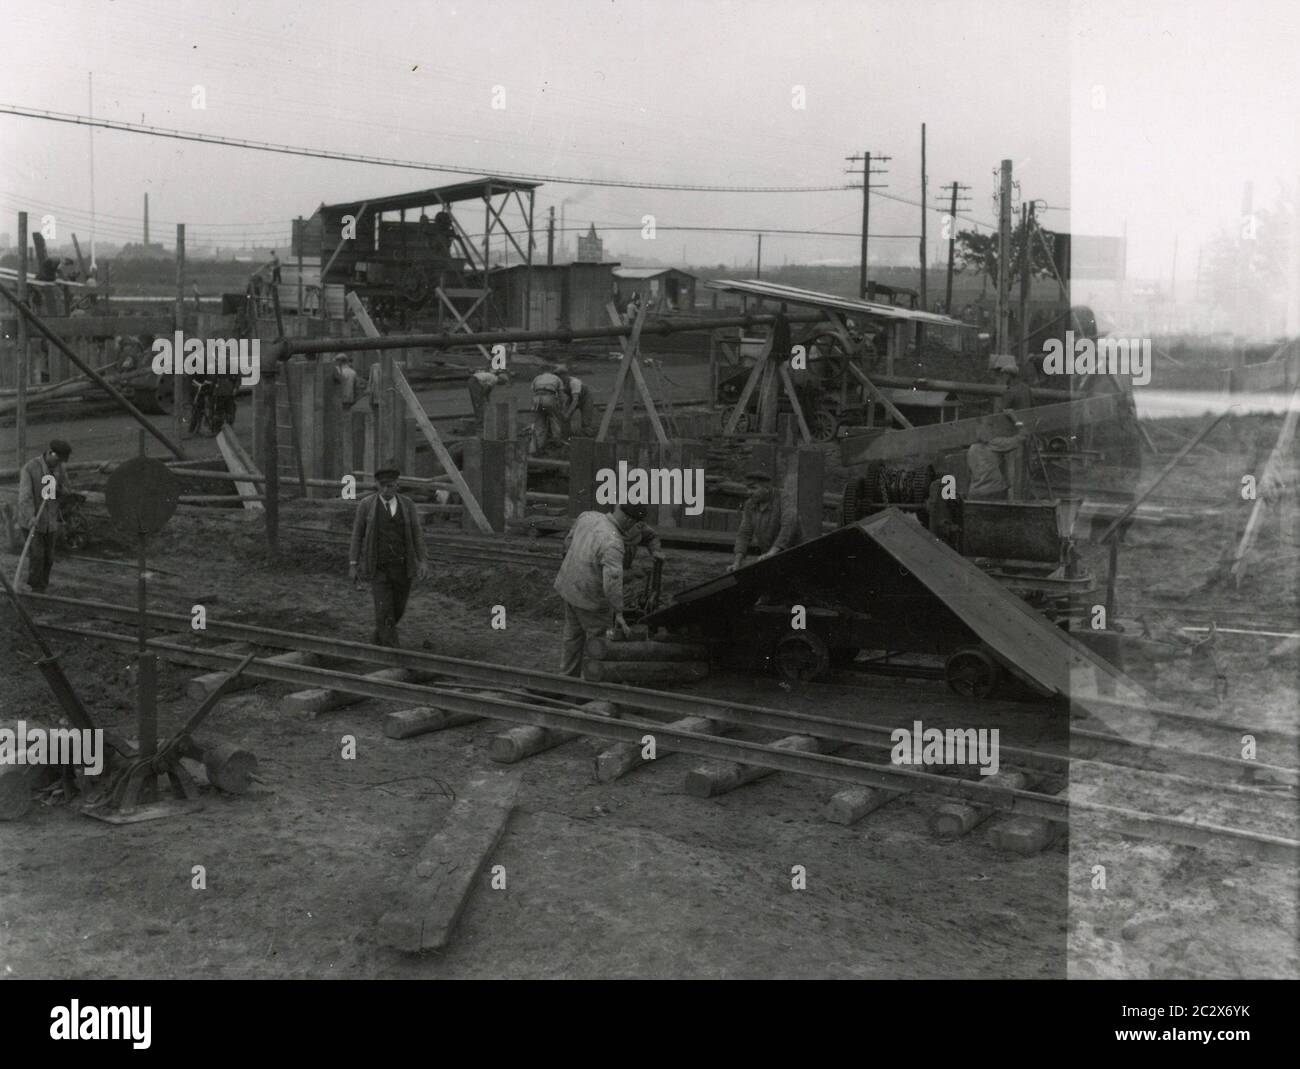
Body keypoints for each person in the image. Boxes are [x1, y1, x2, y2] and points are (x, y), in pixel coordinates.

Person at [553, 503, 644, 677]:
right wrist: (618, 612)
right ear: (629, 520)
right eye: (635, 524)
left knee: (572, 637)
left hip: (569, 589)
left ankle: (567, 677)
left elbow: (567, 543)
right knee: (599, 642)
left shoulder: (587, 516)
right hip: (591, 601)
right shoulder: (613, 542)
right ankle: (591, 681)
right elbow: (612, 582)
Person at [349, 459, 429, 647]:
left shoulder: (407, 505)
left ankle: (378, 638)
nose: (386, 490)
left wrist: (423, 560)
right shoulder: (366, 505)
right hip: (379, 567)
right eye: (382, 486)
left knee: (398, 609)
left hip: (402, 567)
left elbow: (417, 534)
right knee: (384, 608)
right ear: (377, 485)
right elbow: (357, 536)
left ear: (397, 485)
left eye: (390, 486)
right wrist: (353, 564)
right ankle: (393, 651)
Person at [16, 440, 72, 592]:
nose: (59, 463)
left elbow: (67, 489)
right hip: (32, 521)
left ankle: (42, 587)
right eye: (57, 459)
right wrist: (30, 516)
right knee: (37, 556)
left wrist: (59, 489)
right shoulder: (30, 468)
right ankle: (35, 589)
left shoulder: (60, 468)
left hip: (50, 521)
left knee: (49, 558)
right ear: (50, 453)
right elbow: (25, 497)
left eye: (61, 461)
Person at [729, 469, 802, 572]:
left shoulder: (784, 499)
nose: (749, 492)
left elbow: (789, 526)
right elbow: (744, 533)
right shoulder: (750, 505)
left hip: (794, 556)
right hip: (770, 558)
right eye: (747, 488)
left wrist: (772, 552)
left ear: (767, 488)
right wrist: (737, 562)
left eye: (753, 488)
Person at [966, 421, 1025, 501]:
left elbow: (969, 473)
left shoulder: (971, 448)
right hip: (994, 491)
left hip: (975, 492)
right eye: (991, 428)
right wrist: (1018, 421)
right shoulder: (994, 443)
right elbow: (1022, 437)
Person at [530, 367, 566, 453]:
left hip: (537, 399)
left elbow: (533, 391)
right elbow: (561, 395)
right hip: (548, 397)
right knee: (554, 419)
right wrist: (561, 407)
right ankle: (557, 443)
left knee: (539, 423)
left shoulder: (537, 377)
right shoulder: (556, 378)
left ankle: (539, 447)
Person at [555, 365, 597, 437]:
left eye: (560, 375)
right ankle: (567, 436)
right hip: (572, 398)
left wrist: (568, 413)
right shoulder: (559, 384)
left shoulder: (574, 382)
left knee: (586, 422)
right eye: (557, 376)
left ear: (565, 375)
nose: (558, 377)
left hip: (585, 398)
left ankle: (589, 436)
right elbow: (559, 397)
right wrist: (562, 410)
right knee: (565, 418)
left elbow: (575, 401)